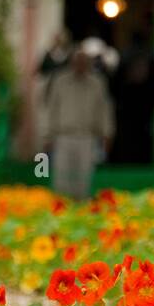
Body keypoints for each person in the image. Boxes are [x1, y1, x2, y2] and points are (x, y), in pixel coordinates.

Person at [43, 49, 113, 201]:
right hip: (63, 136)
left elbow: (104, 110)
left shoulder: (97, 83)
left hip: (87, 137)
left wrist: (106, 134)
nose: (80, 65)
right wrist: (48, 136)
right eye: (77, 61)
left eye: (84, 62)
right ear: (71, 63)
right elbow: (52, 109)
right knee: (61, 179)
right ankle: (60, 214)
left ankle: (82, 212)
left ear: (88, 64)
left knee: (84, 180)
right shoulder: (60, 81)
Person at [112, 30, 154, 164]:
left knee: (127, 138)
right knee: (143, 137)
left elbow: (114, 83)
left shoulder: (124, 55)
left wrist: (117, 103)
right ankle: (142, 161)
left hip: (126, 108)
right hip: (144, 108)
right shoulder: (149, 55)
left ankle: (126, 162)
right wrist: (153, 104)